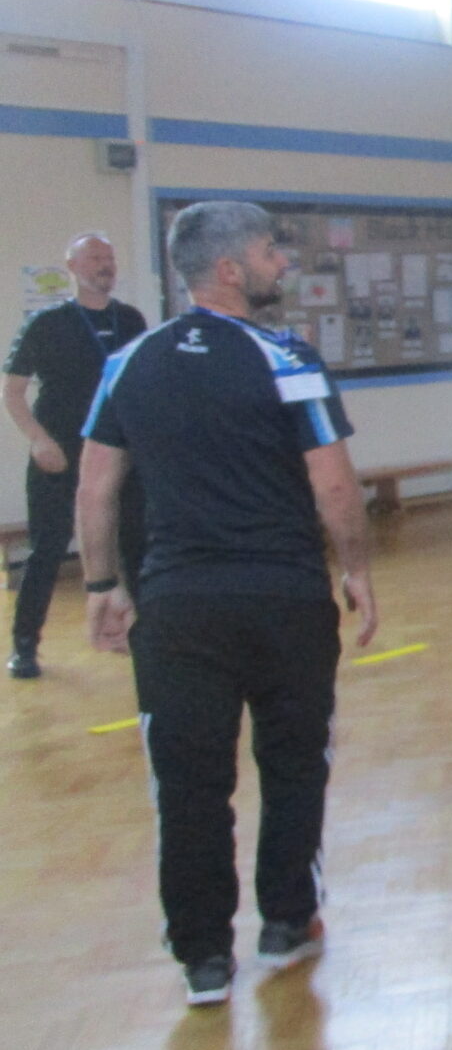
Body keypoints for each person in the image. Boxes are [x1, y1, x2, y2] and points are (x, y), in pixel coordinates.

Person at [76, 201, 377, 1008]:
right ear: (230, 270)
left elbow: (97, 486)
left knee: (189, 785)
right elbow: (336, 485)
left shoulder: (131, 361)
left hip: (177, 612)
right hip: (284, 602)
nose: (284, 261)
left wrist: (103, 587)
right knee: (293, 764)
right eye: (270, 250)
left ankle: (204, 957)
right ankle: (287, 922)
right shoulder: (287, 356)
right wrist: (358, 571)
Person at [4, 233, 148, 679]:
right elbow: (13, 393)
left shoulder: (131, 320)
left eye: (109, 256)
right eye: (95, 257)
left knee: (137, 542)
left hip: (121, 455)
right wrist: (38, 439)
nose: (105, 264)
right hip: (61, 455)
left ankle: (151, 637)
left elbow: (144, 385)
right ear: (72, 265)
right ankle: (25, 645)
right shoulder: (46, 324)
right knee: (47, 548)